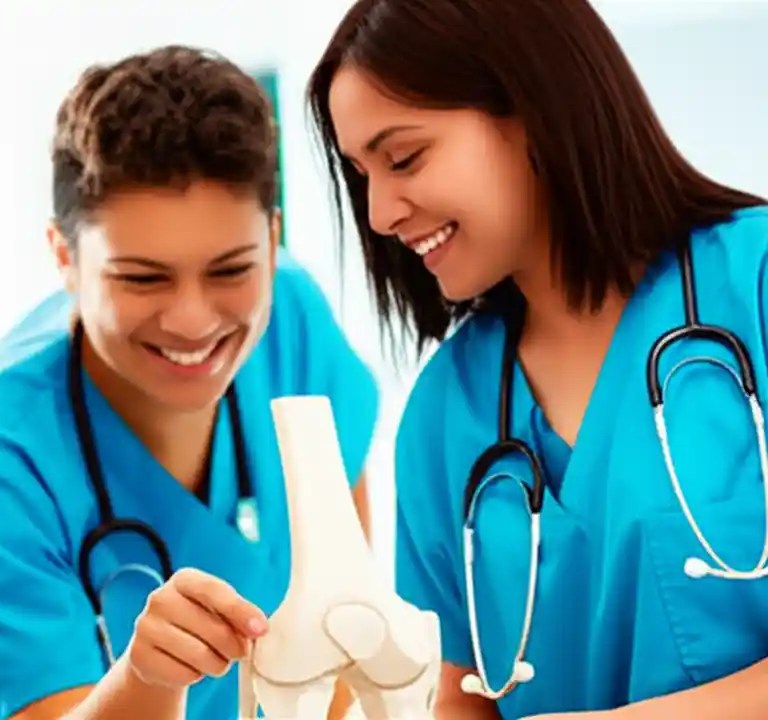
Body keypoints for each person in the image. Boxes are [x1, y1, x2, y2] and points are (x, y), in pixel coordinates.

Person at [0, 45, 381, 719]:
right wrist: (145, 680)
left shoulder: (292, 321)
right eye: (142, 278)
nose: (192, 318)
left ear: (272, 241)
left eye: (230, 270)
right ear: (64, 257)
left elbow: (343, 617)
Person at [306, 0, 768, 718]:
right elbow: (463, 698)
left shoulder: (756, 280)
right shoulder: (443, 415)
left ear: (535, 108)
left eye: (403, 158)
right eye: (360, 173)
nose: (379, 213)